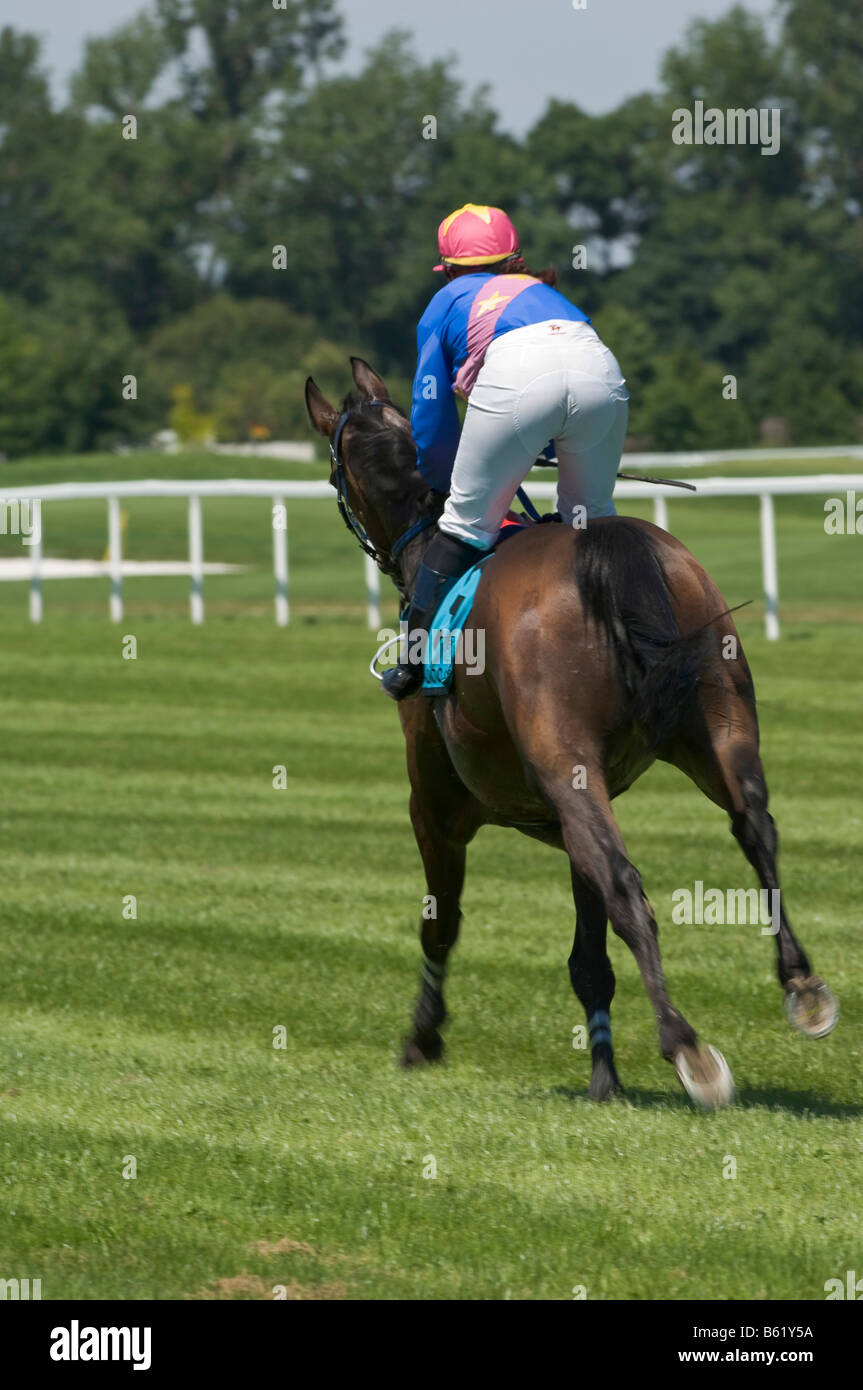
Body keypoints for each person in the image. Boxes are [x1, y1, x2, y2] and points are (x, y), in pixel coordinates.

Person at [382, 202, 629, 701]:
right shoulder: (545, 293)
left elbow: (430, 414)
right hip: (599, 367)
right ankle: (630, 647)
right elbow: (563, 390)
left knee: (463, 526)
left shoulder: (446, 301)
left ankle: (411, 661)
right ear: (515, 260)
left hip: (519, 375)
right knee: (590, 523)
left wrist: (445, 483)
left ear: (449, 270)